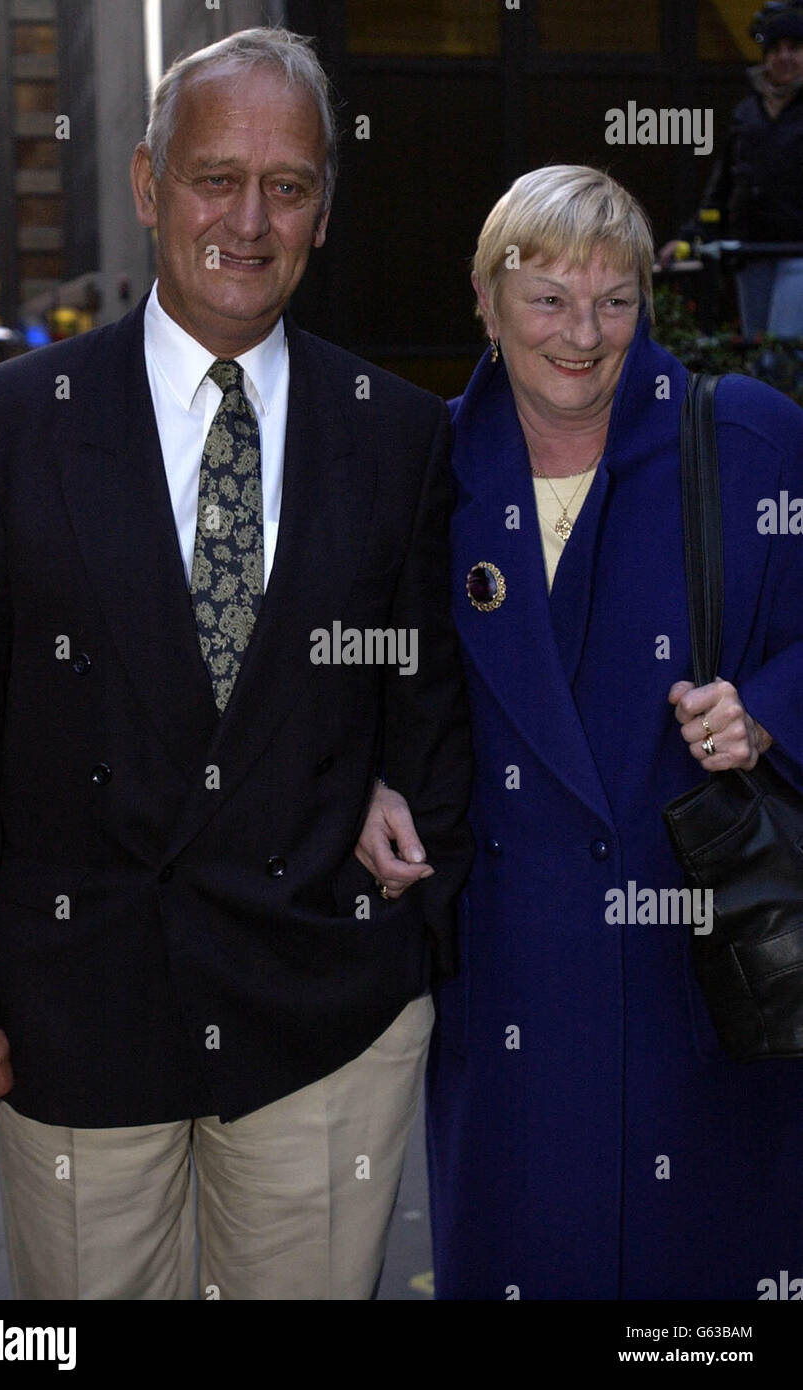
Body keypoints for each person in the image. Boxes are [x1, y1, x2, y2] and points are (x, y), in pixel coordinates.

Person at [0, 28, 472, 1301]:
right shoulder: (7, 430)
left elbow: (429, 709)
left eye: (286, 186)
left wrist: (396, 830)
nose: (248, 217)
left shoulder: (396, 436)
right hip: (76, 1020)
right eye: (214, 177)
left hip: (322, 1024)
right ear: (144, 184)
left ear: (324, 213)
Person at [359, 165, 803, 1299]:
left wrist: (768, 709)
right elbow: (351, 678)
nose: (582, 332)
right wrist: (363, 785)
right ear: (484, 299)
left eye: (613, 299)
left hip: (704, 980)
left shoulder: (741, 441)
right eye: (546, 297)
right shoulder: (423, 466)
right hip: (510, 991)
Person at [658, 2, 803, 337]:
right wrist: (693, 235)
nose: (784, 57)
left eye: (794, 48)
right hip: (750, 254)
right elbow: (723, 185)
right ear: (765, 56)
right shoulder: (747, 113)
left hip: (796, 255)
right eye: (776, 49)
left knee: (781, 355)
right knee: (756, 350)